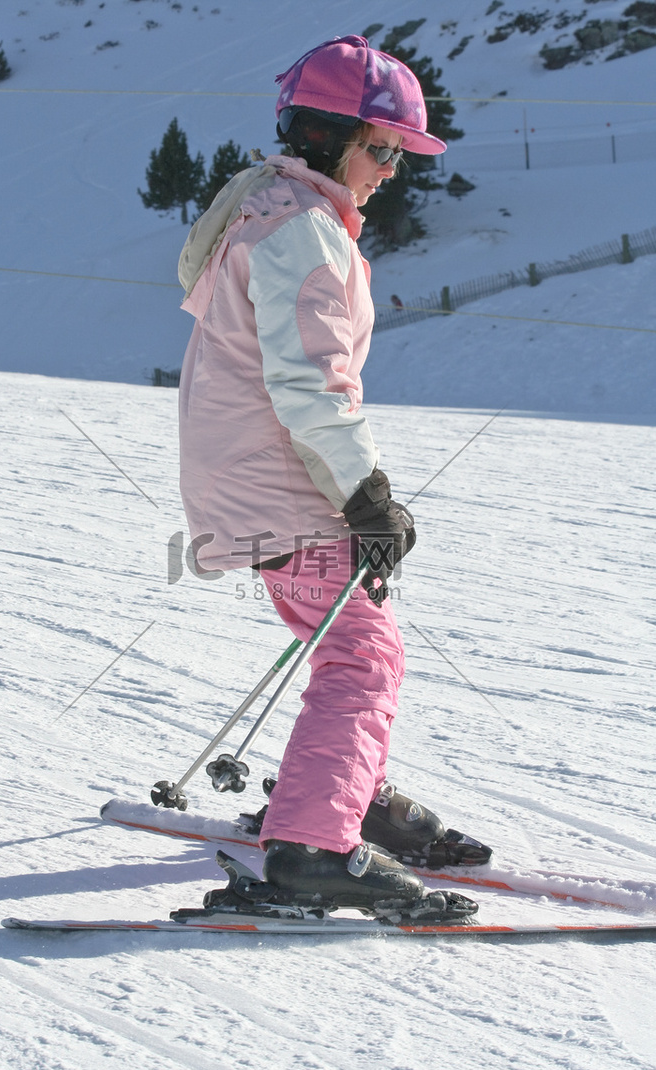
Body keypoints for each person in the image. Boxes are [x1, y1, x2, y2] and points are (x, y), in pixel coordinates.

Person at [177, 36, 489, 912]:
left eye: (400, 155)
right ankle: (314, 843)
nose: (391, 171)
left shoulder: (270, 210)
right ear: (326, 136)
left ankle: (343, 792)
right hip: (280, 480)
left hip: (254, 475)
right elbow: (312, 388)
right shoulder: (303, 234)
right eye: (382, 149)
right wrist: (367, 497)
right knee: (363, 654)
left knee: (350, 643)